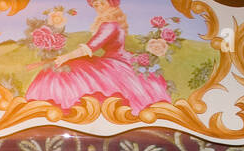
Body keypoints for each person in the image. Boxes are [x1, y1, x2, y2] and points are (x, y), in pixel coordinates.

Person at [25, 0, 169, 113]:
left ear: (111, 4)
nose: (99, 7)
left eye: (102, 3)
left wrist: (66, 57)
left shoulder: (110, 25)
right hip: (115, 59)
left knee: (63, 73)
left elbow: (91, 47)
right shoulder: (113, 23)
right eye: (96, 5)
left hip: (116, 62)